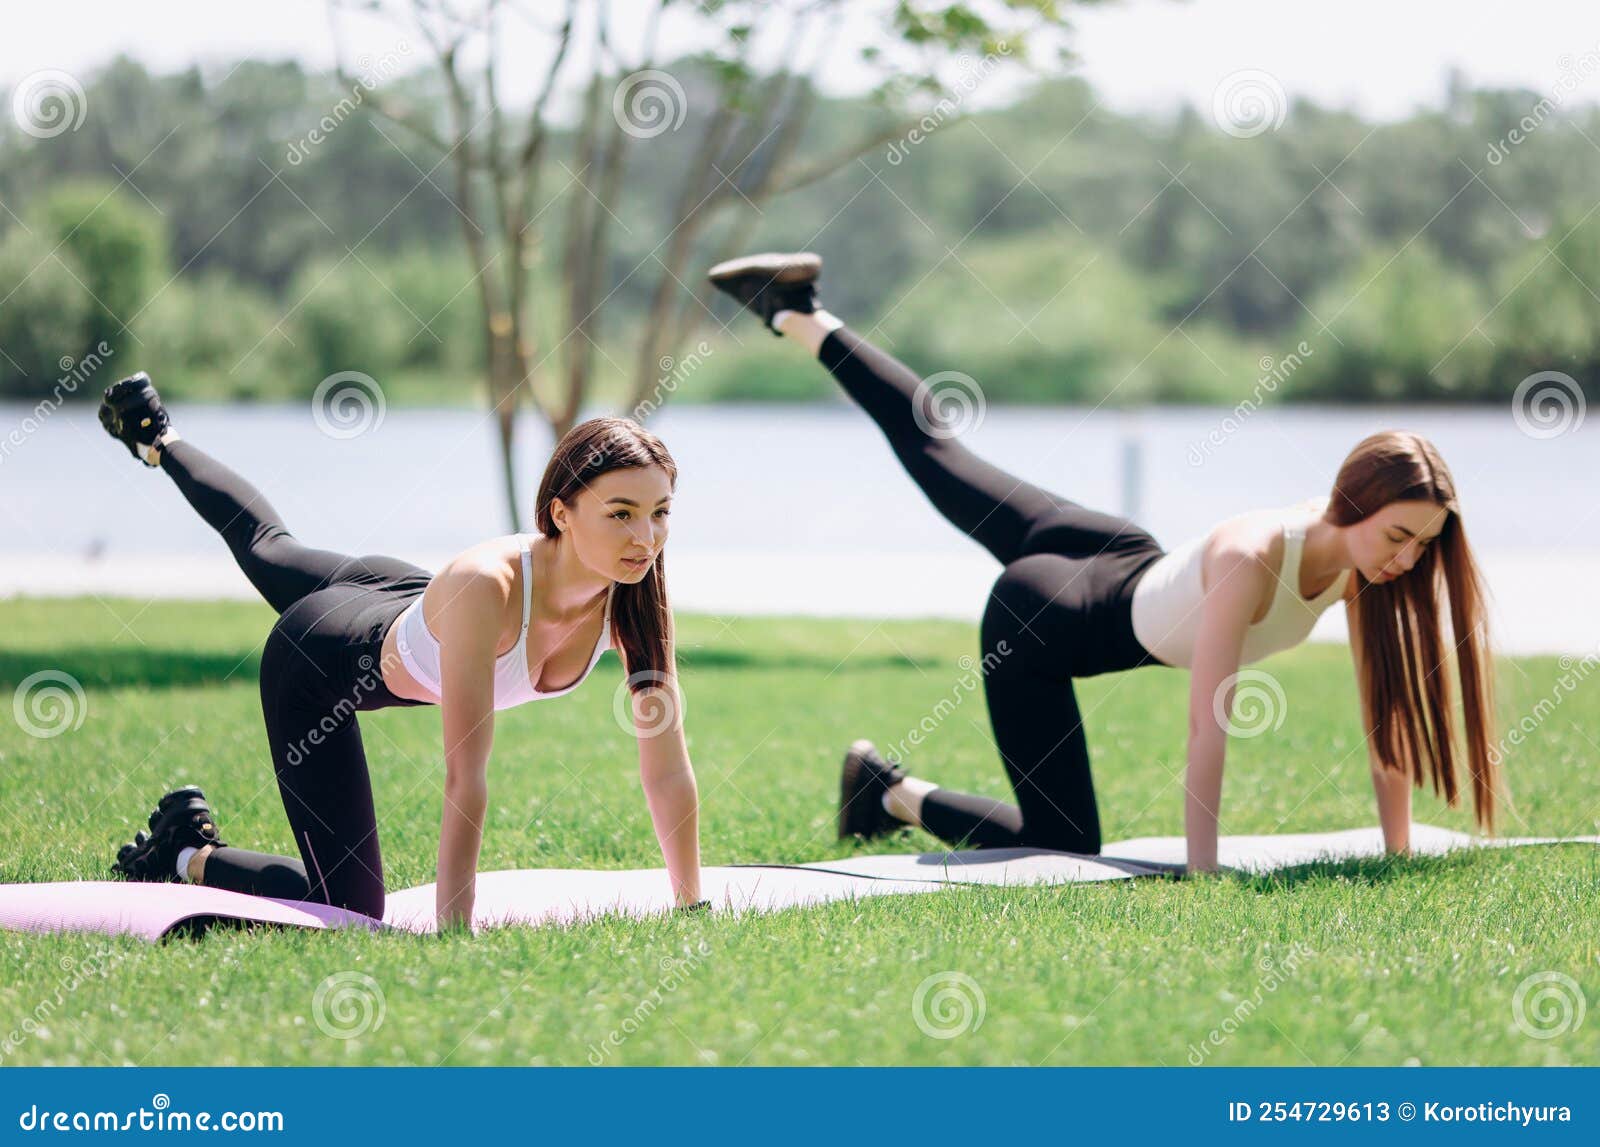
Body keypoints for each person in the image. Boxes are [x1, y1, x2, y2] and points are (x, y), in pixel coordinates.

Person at [707, 251, 1503, 873]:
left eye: (1425, 543)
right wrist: (1201, 872)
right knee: (1067, 842)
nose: (1410, 558)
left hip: (1114, 550)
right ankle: (887, 790)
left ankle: (793, 309)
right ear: (1351, 504)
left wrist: (1398, 850)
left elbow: (1385, 719)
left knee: (942, 451)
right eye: (1400, 535)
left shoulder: (1363, 572)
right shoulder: (1252, 554)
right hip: (1046, 616)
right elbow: (1206, 722)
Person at [100, 372, 704, 928]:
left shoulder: (634, 591)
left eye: (660, 513)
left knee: (271, 547)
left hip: (401, 595)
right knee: (350, 906)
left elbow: (667, 767)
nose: (645, 538)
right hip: (323, 659)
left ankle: (158, 437)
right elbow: (465, 776)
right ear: (561, 513)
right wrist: (454, 931)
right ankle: (185, 851)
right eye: (621, 514)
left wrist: (689, 904)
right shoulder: (486, 585)